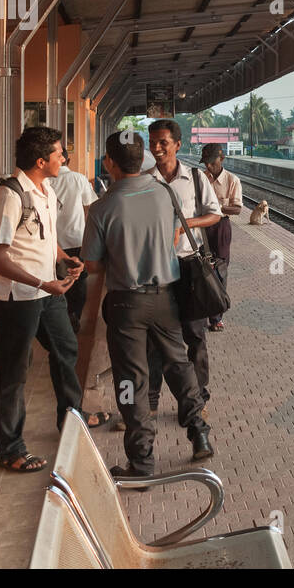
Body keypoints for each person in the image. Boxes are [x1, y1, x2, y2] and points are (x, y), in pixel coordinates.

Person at [81, 131, 214, 476]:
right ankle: (199, 432)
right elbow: (170, 236)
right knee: (179, 365)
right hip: (165, 298)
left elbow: (92, 264)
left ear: (108, 162)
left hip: (126, 304)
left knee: (131, 380)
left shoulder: (101, 207)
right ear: (142, 159)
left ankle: (141, 463)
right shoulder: (164, 194)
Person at [0, 126, 110, 473]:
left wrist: (62, 259)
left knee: (66, 349)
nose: (64, 159)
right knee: (14, 370)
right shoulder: (7, 197)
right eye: (59, 154)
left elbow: (43, 236)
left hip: (46, 291)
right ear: (41, 161)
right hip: (17, 298)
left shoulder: (45, 189)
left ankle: (71, 417)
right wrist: (42, 281)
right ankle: (10, 448)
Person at [145, 120, 222, 411]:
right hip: (156, 270)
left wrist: (184, 224)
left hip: (189, 266)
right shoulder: (145, 179)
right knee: (153, 338)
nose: (157, 148)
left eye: (163, 142)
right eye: (153, 142)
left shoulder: (196, 178)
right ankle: (150, 399)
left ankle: (199, 394)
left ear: (178, 144)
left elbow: (214, 215)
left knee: (195, 334)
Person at [47, 150, 97, 333]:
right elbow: (91, 207)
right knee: (77, 282)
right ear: (68, 160)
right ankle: (73, 315)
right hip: (76, 239)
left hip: (51, 243)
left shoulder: (44, 180)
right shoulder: (78, 179)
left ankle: (57, 319)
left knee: (53, 280)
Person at [200, 143, 241, 332]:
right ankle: (201, 311)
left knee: (220, 270)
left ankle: (216, 317)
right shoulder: (201, 178)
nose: (208, 167)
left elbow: (237, 208)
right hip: (202, 227)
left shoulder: (232, 180)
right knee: (201, 268)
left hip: (221, 229)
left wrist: (215, 208)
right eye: (206, 163)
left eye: (212, 162)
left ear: (221, 158)